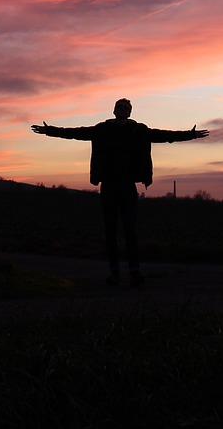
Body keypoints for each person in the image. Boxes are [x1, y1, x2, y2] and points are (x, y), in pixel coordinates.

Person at [31, 98, 209, 287]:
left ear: (129, 112)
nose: (123, 110)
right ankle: (115, 273)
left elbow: (164, 136)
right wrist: (50, 131)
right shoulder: (102, 129)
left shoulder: (139, 130)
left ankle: (134, 272)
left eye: (126, 108)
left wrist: (190, 135)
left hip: (127, 186)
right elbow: (75, 133)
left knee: (130, 231)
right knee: (111, 232)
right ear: (115, 111)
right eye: (120, 107)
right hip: (108, 186)